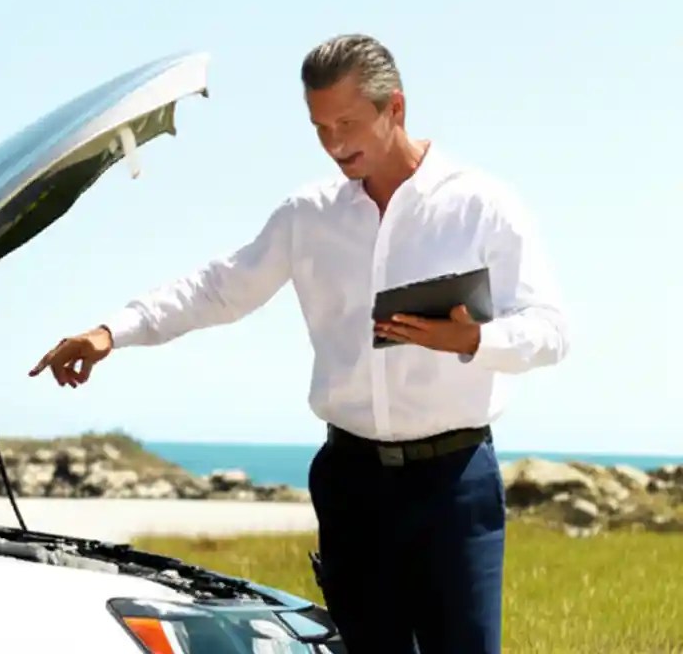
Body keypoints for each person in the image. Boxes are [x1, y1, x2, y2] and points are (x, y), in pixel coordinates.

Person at [28, 33, 569, 653]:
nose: (336, 144)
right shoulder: (307, 215)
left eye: (348, 123)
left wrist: (472, 337)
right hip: (353, 484)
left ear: (395, 108)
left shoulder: (482, 206)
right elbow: (218, 289)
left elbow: (551, 330)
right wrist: (111, 332)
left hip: (455, 483)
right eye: (320, 128)